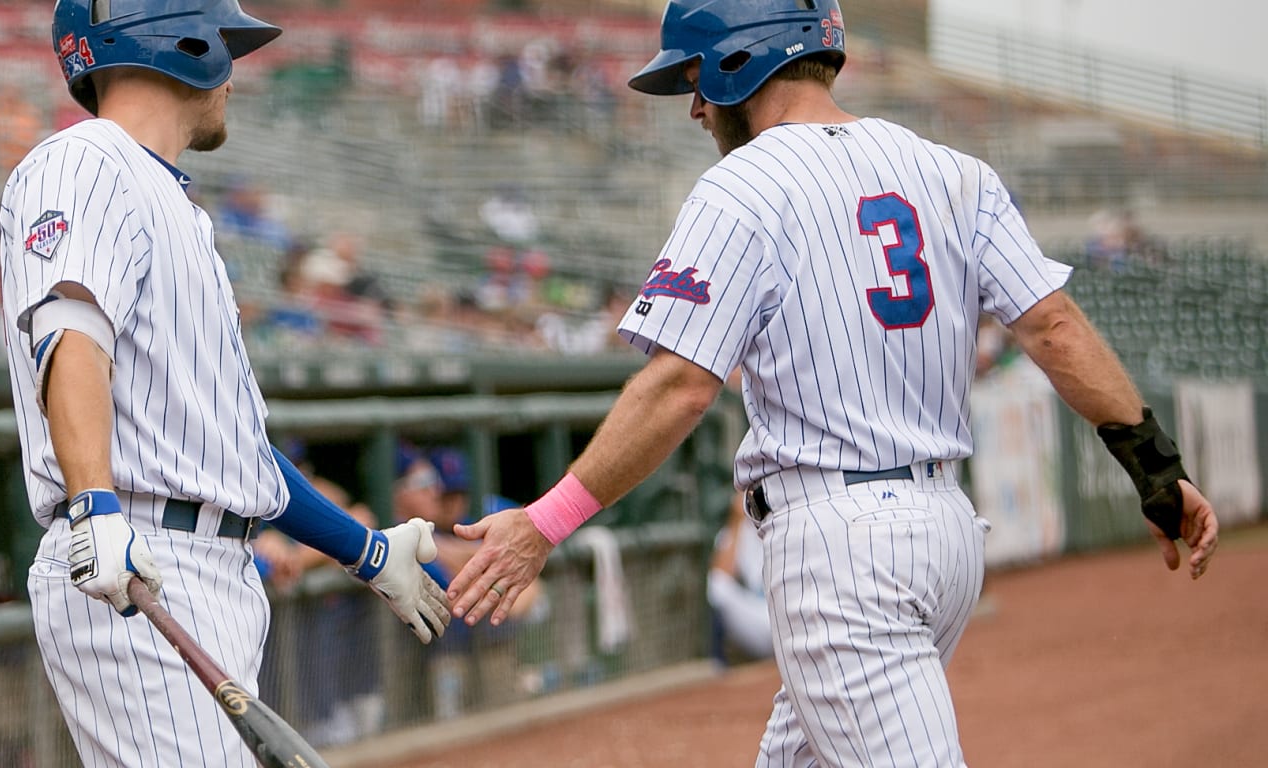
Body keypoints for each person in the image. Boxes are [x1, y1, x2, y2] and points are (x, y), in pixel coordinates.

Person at [446, 2, 1219, 766]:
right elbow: (1054, 328)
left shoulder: (743, 185)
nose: (693, 107)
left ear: (736, 60)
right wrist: (1156, 468)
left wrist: (545, 523)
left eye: (694, 79)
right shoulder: (954, 171)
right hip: (945, 531)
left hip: (843, 550)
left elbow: (680, 385)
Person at [0, 3, 449, 766]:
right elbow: (70, 338)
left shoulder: (166, 197)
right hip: (136, 561)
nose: (233, 74)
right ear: (181, 38)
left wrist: (365, 551)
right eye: (227, 43)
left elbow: (226, 450)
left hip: (204, 566)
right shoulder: (86, 160)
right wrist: (95, 505)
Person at [706, 491, 772, 664]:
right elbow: (720, 576)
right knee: (717, 586)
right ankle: (718, 663)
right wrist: (736, 519)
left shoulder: (789, 516)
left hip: (793, 610)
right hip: (760, 613)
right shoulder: (739, 528)